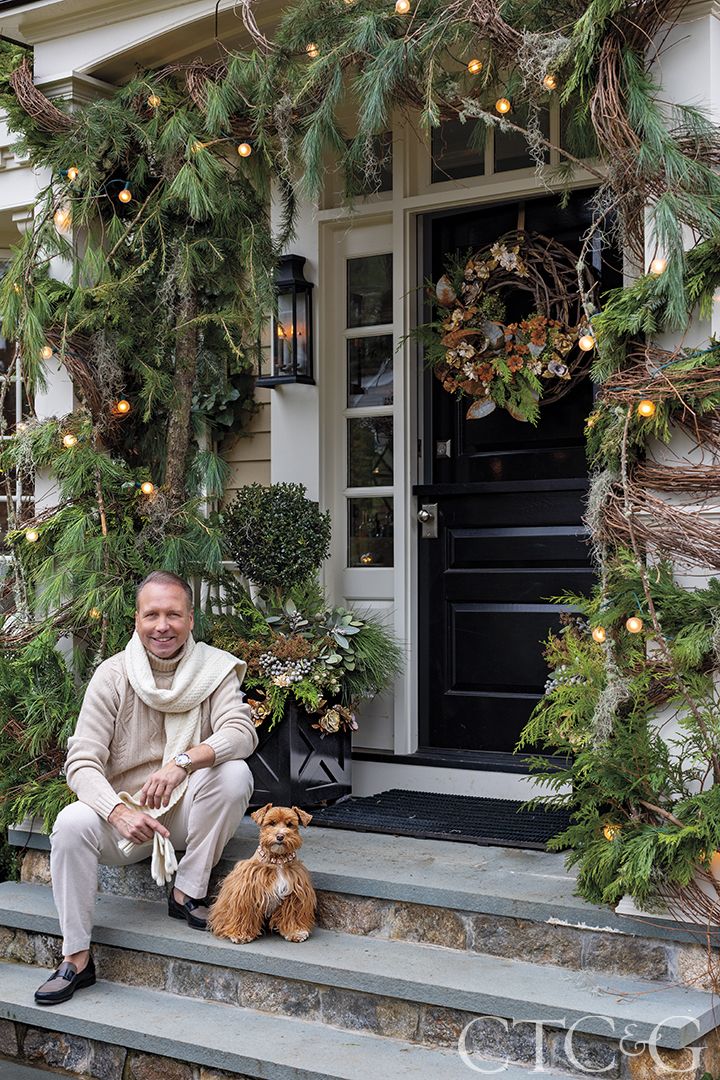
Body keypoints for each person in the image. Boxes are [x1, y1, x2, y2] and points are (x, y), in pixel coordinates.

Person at [34, 570, 257, 1006]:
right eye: (152, 614)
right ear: (136, 620)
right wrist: (117, 812)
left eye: (173, 614)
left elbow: (242, 732)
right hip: (127, 822)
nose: (162, 625)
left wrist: (182, 762)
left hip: (184, 811)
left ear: (191, 619)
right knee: (70, 822)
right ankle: (76, 958)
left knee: (235, 775)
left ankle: (187, 891)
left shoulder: (214, 670)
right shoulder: (113, 676)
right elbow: (80, 763)